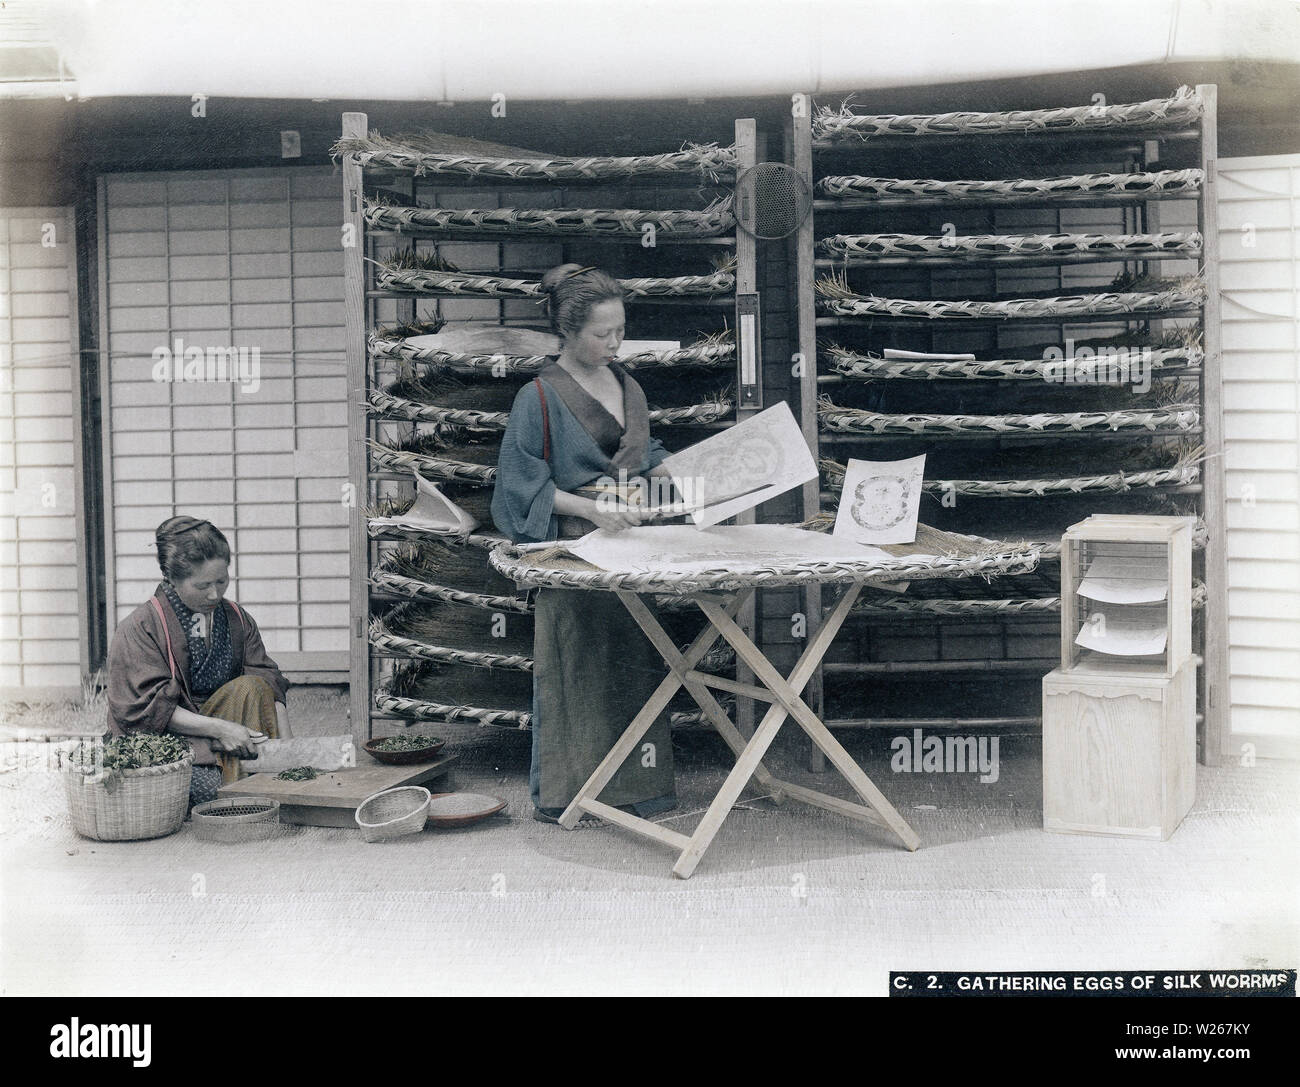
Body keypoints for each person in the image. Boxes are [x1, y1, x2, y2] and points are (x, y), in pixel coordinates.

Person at [492, 263, 678, 823]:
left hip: (632, 543)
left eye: (621, 330)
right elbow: (518, 484)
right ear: (569, 332)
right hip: (574, 549)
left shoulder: (630, 386)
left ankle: (637, 790)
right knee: (574, 668)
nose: (616, 343)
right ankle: (570, 795)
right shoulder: (538, 397)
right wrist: (591, 507)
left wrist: (687, 476)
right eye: (603, 334)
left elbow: (648, 457)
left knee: (633, 661)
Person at [106, 516, 292, 807]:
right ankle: (246, 779)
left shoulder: (237, 619)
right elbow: (148, 711)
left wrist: (288, 746)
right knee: (211, 791)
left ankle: (251, 777)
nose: (215, 594)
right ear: (171, 578)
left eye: (222, 580)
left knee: (253, 687)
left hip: (234, 734)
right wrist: (220, 730)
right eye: (202, 584)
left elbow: (270, 681)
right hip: (174, 738)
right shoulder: (140, 627)